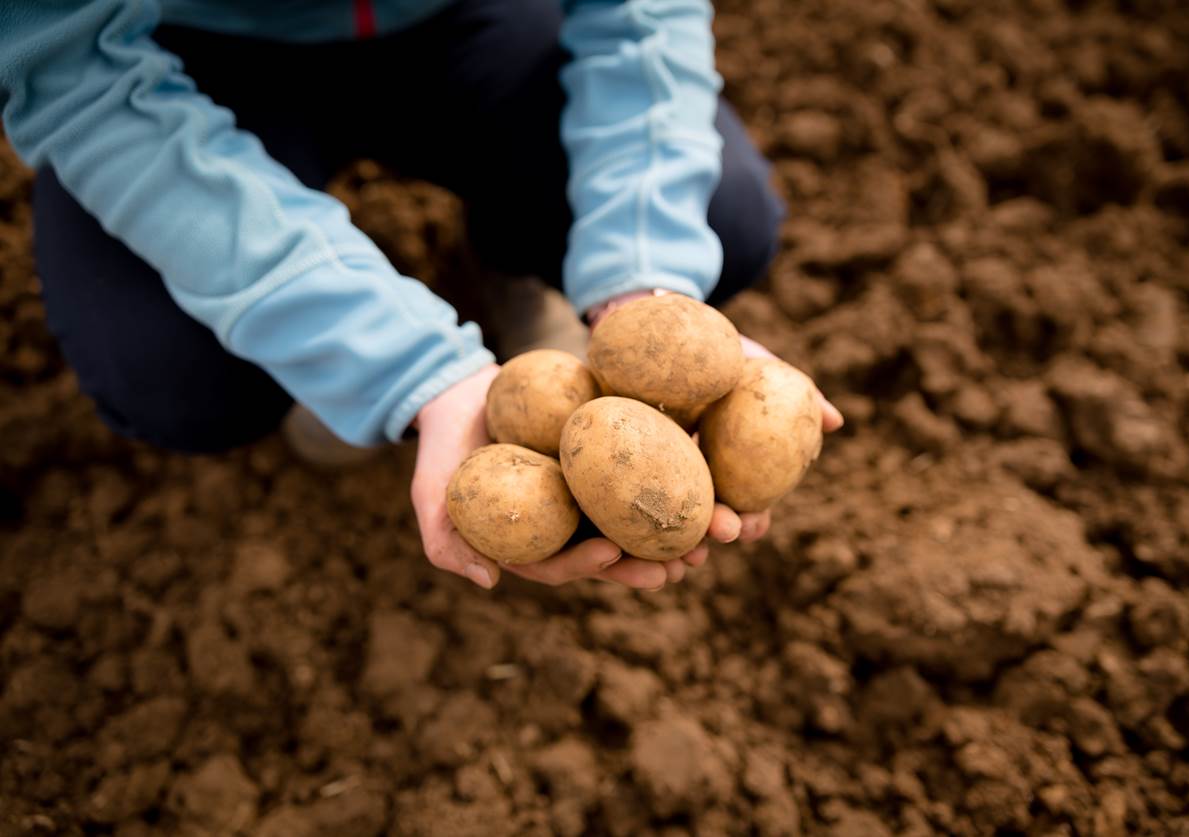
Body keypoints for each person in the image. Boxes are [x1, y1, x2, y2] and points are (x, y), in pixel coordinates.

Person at [0, 0, 841, 592]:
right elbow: (71, 72)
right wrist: (408, 368)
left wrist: (643, 284)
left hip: (455, 17)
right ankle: (313, 352)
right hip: (172, 42)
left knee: (723, 217)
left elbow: (639, 13)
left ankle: (500, 260)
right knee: (169, 374)